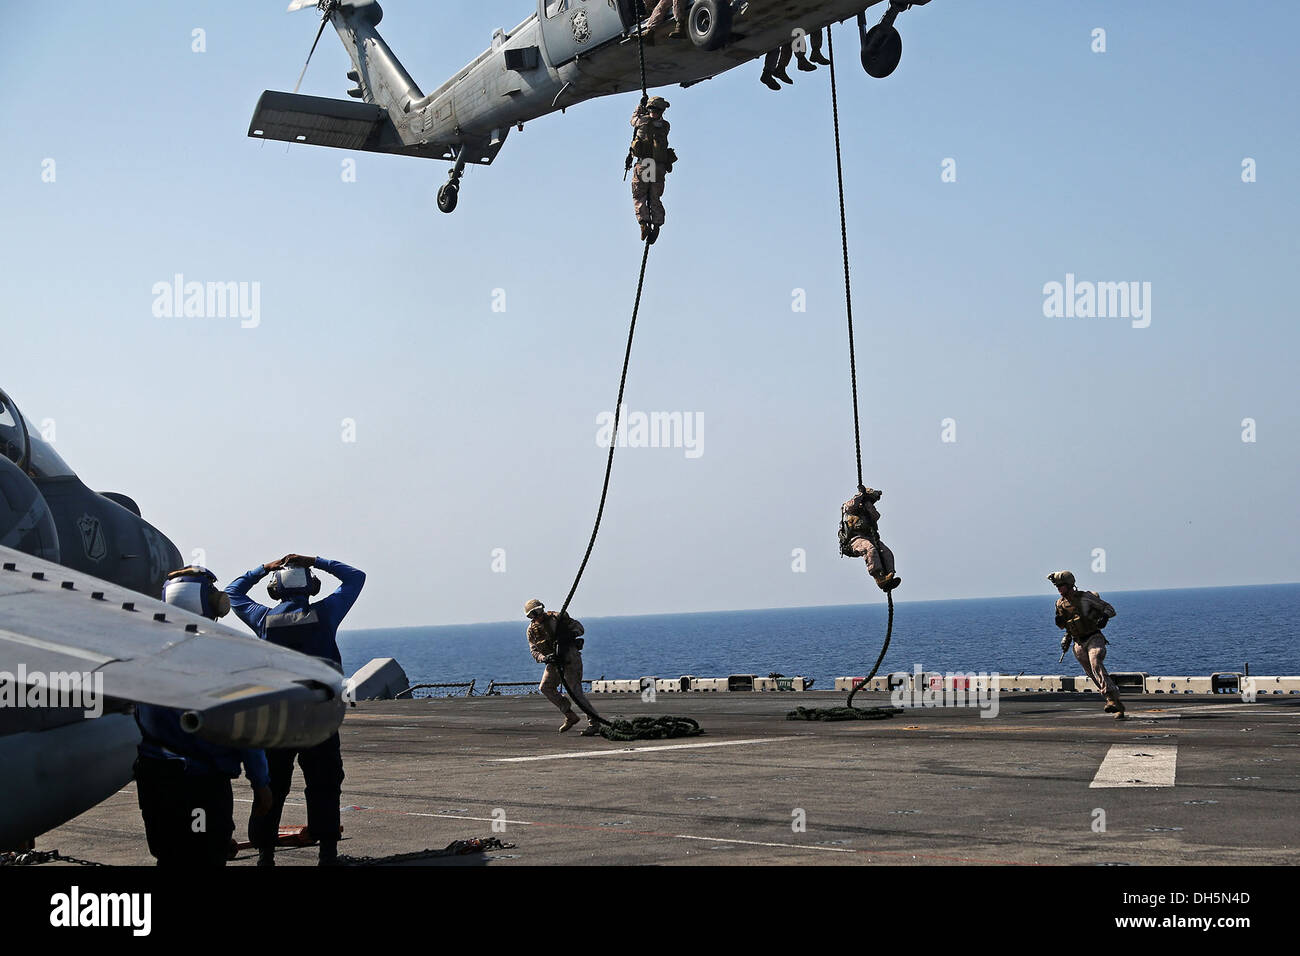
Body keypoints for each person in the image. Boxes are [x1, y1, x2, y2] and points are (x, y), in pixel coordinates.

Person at [225, 553, 366, 865]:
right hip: (319, 718)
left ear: (275, 590)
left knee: (272, 785)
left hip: (278, 721)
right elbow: (356, 577)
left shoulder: (263, 619)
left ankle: (266, 855)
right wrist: (317, 560)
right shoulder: (326, 613)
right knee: (325, 783)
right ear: (312, 587)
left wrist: (262, 568)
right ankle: (327, 854)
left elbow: (232, 592)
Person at [134, 566, 272, 866]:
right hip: (203, 784)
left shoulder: (145, 656)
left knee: (169, 858)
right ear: (213, 604)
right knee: (208, 857)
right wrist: (260, 782)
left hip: (156, 782)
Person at [1049, 571, 1125, 719]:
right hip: (1078, 643)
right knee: (1092, 673)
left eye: (1061, 585)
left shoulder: (1085, 598)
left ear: (1069, 585)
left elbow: (1110, 609)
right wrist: (1064, 633)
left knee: (1096, 662)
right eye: (1057, 586)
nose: (1058, 588)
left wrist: (1104, 617)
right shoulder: (1059, 604)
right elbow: (1067, 626)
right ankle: (1115, 702)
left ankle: (1110, 697)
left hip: (1094, 637)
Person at [524, 599, 600, 736]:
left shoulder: (558, 618)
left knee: (575, 692)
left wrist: (569, 635)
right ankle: (569, 714)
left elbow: (580, 628)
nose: (536, 616)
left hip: (570, 657)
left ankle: (595, 723)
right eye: (532, 615)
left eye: (538, 612)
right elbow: (534, 650)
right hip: (553, 661)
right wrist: (544, 658)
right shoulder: (531, 631)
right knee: (545, 687)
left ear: (542, 609)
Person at [625, 96, 676, 243]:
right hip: (659, 167)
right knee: (655, 197)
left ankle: (643, 223)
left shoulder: (642, 121)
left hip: (645, 164)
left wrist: (639, 107)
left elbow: (633, 120)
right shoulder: (666, 126)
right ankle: (657, 226)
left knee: (640, 195)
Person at [839, 487, 901, 591]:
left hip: (869, 537)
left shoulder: (868, 508)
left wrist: (868, 505)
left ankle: (889, 575)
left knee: (886, 552)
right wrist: (861, 495)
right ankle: (879, 578)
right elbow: (850, 506)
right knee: (869, 549)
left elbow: (876, 516)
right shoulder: (849, 506)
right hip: (854, 539)